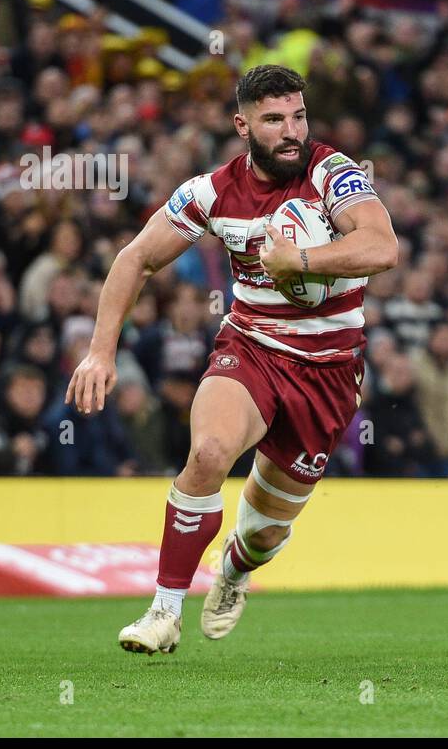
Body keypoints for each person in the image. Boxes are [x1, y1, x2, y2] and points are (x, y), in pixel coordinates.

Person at [65, 65, 397, 655]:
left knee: (266, 529)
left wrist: (303, 259)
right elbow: (135, 258)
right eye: (274, 120)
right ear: (242, 124)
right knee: (210, 453)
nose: (291, 131)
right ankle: (163, 613)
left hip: (329, 371)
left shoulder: (334, 173)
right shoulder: (212, 192)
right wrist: (100, 351)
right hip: (252, 349)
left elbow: (382, 246)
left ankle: (237, 569)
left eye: (298, 116)